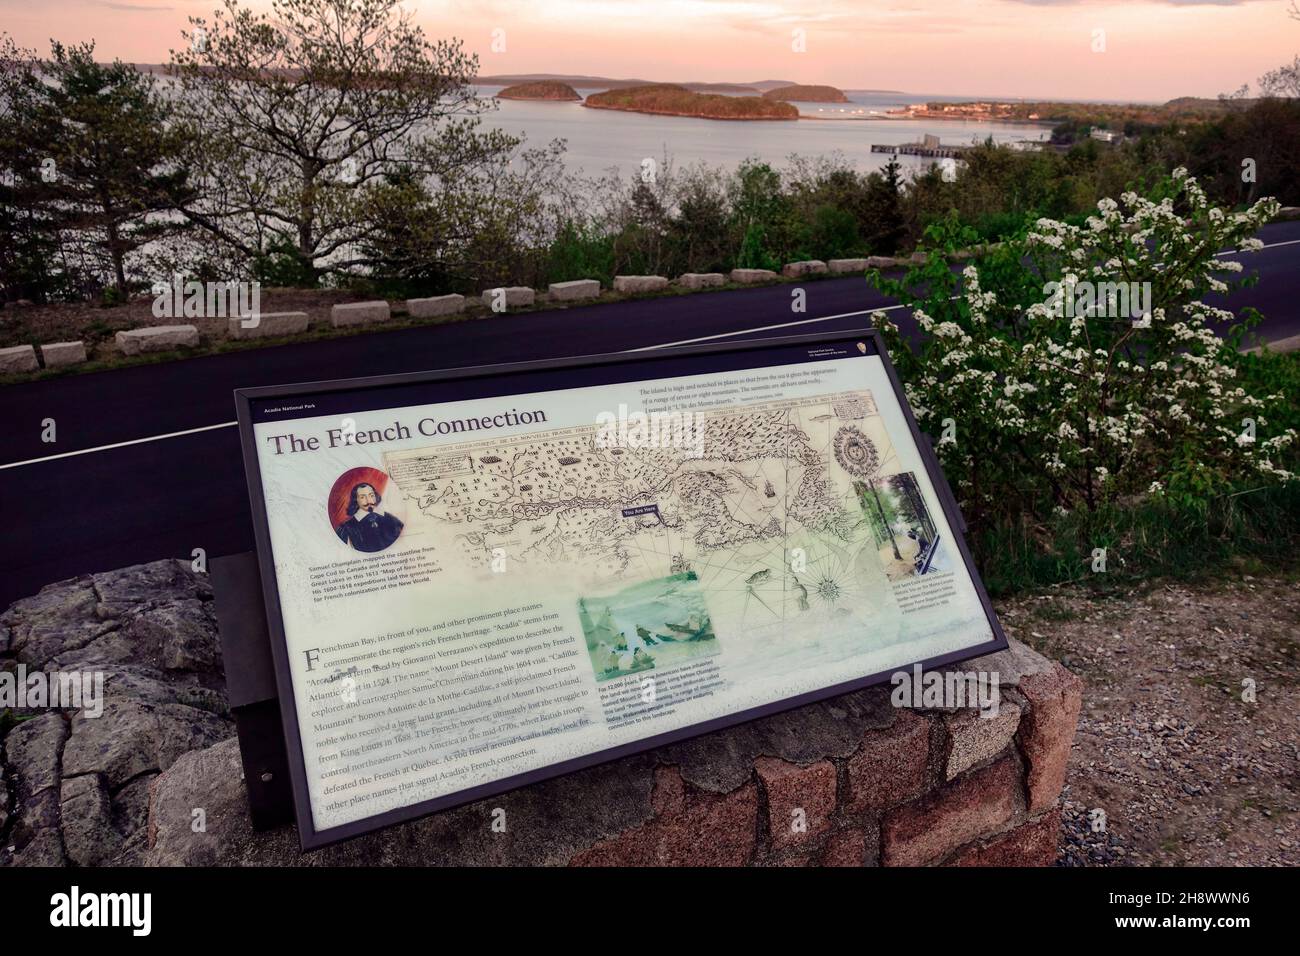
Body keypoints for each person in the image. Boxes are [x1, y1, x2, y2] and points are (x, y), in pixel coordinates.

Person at [335, 482, 403, 553]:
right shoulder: (347, 527)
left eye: (371, 495)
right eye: (362, 497)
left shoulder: (389, 518)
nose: (369, 501)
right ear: (356, 500)